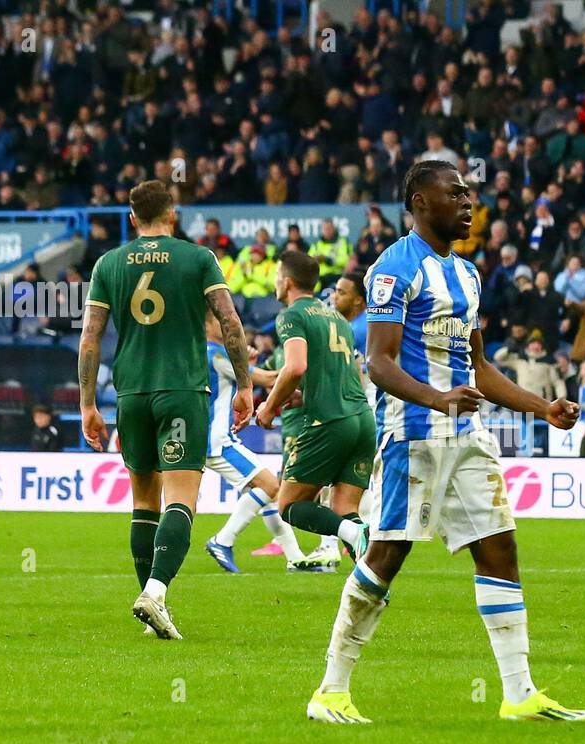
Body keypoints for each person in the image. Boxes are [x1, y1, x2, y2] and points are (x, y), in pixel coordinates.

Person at [306, 159, 585, 724]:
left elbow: (478, 367)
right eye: (455, 193)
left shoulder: (467, 275)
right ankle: (330, 691)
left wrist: (542, 407)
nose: (468, 203)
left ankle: (519, 693)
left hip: (467, 436)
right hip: (414, 435)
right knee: (388, 554)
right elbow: (380, 363)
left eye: (469, 193)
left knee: (500, 544)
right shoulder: (392, 270)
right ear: (419, 202)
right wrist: (436, 399)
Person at [79, 179, 253, 641]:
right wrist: (245, 384)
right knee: (182, 497)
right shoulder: (198, 258)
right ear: (172, 215)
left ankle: (154, 605)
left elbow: (91, 336)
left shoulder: (108, 263)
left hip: (131, 392)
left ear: (132, 218)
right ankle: (155, 593)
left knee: (143, 499)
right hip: (182, 388)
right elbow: (230, 321)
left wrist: (88, 403)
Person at [253, 250, 376, 561]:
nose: (275, 283)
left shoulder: (292, 316)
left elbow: (295, 367)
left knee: (289, 506)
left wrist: (268, 407)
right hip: (362, 419)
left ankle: (354, 534)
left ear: (289, 282)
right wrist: (302, 395)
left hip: (330, 422)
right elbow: (347, 377)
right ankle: (372, 585)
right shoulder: (338, 319)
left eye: (278, 276)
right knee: (345, 510)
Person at [201, 314, 306, 573]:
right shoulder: (216, 355)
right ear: (206, 325)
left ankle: (296, 558)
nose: (227, 326)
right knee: (271, 485)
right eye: (220, 322)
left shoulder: (210, 354)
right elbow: (268, 380)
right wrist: (304, 374)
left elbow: (240, 384)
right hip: (218, 442)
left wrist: (246, 364)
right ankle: (222, 540)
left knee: (269, 496)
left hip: (214, 437)